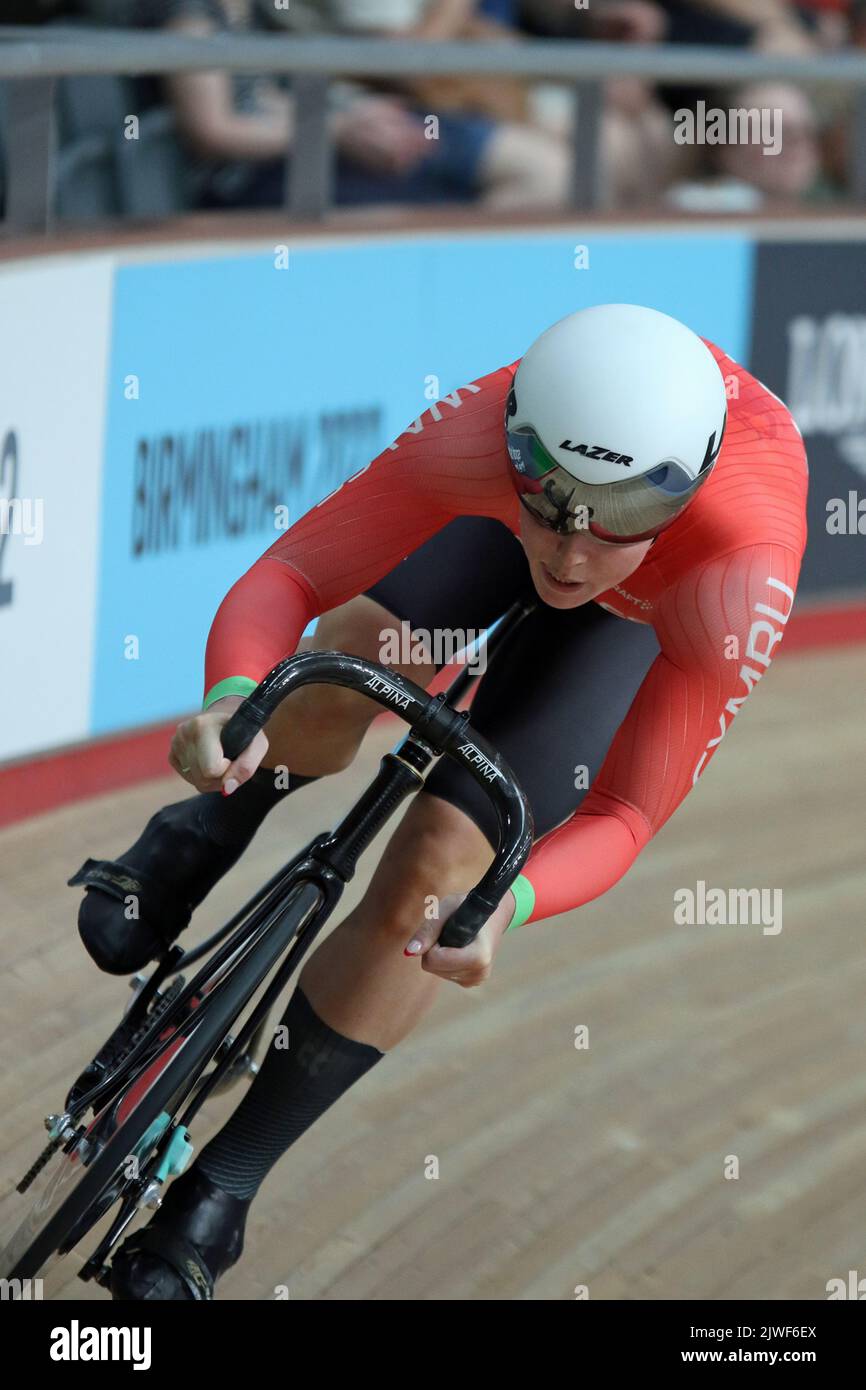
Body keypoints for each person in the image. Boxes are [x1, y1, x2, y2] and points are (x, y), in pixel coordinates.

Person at [70, 303, 809, 1299]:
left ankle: (223, 1189)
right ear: (516, 444)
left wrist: (507, 904)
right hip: (495, 525)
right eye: (552, 503)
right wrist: (233, 699)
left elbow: (624, 814)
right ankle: (205, 826)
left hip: (642, 613)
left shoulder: (737, 570)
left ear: (681, 496)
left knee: (441, 872)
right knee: (350, 658)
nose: (574, 554)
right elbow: (291, 573)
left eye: (618, 520)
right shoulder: (474, 438)